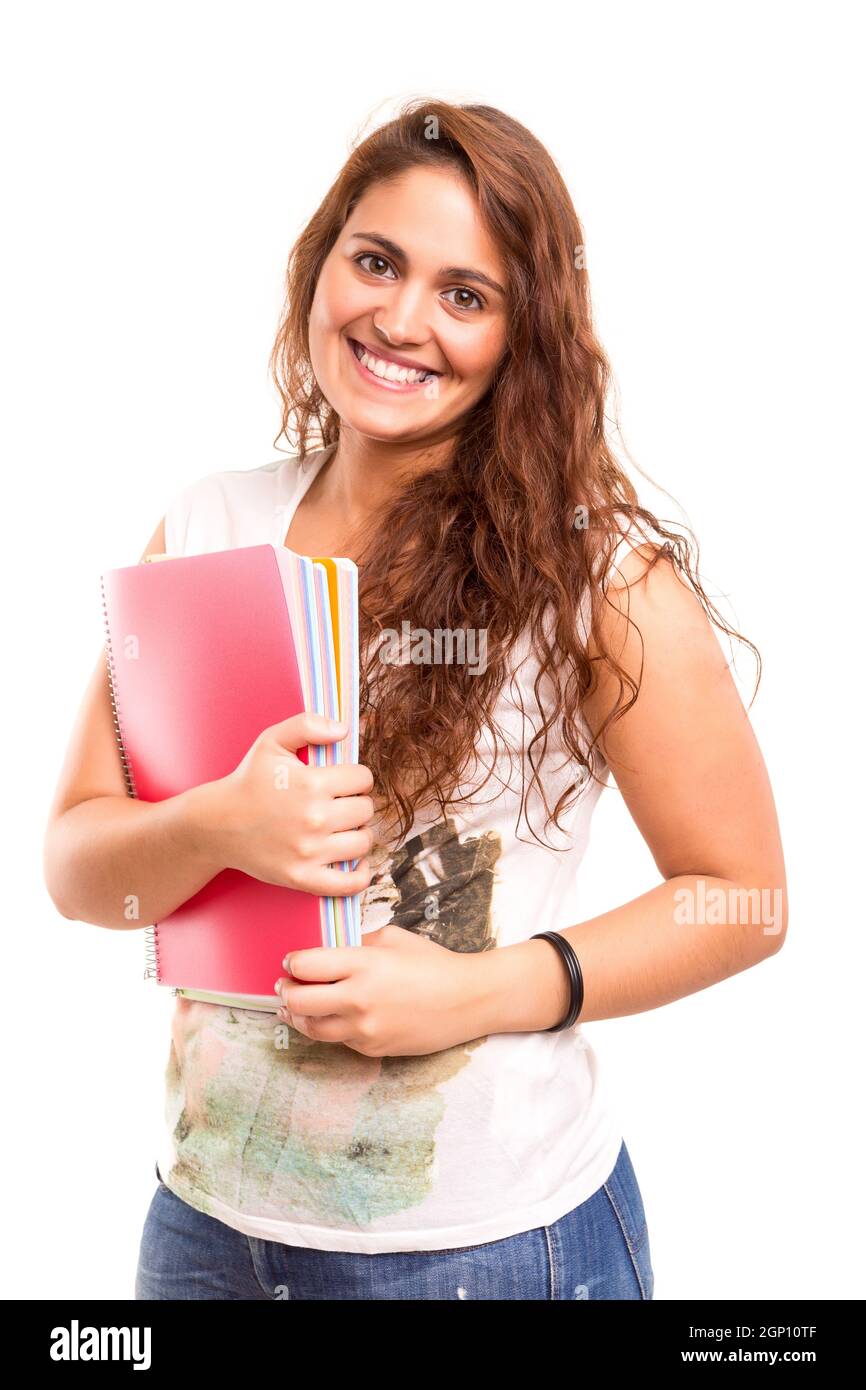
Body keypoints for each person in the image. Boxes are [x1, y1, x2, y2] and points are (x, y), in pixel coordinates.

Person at [43, 99, 787, 1301]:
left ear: (520, 334)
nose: (399, 320)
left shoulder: (596, 578)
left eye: (464, 293)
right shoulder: (207, 530)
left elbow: (741, 899)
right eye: (376, 261)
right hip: (204, 1227)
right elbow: (80, 871)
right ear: (320, 261)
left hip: (486, 1250)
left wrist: (471, 991)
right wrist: (218, 826)